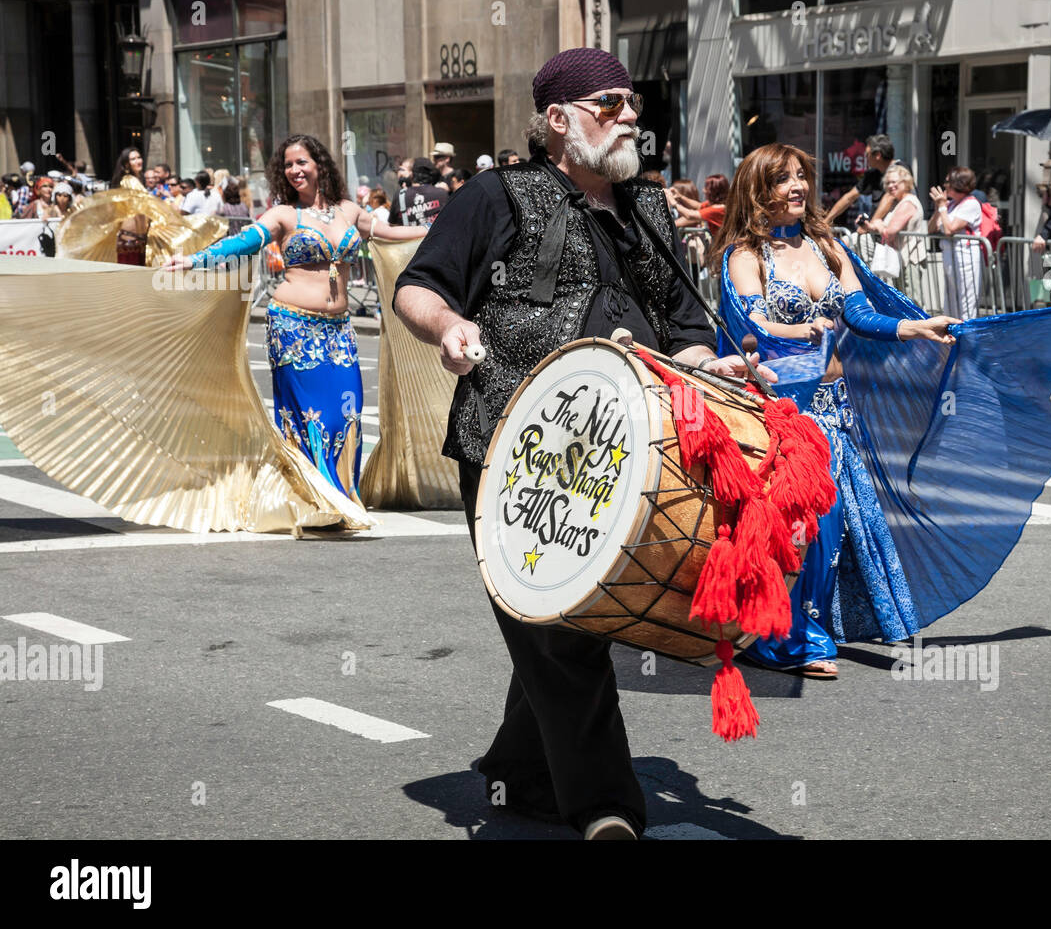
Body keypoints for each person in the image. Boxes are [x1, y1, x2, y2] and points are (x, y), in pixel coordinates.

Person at [391, 47, 773, 841]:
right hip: (513, 444)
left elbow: (685, 330)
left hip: (626, 448)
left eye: (633, 102)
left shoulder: (650, 211)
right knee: (555, 624)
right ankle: (607, 806)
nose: (631, 114)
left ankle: (518, 771)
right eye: (612, 103)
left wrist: (712, 365)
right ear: (559, 120)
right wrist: (453, 326)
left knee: (566, 613)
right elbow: (418, 286)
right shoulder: (495, 194)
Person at [715, 143, 959, 678]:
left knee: (835, 522)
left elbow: (859, 312)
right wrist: (799, 331)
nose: (798, 186)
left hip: (835, 409)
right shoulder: (746, 255)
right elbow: (751, 325)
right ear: (760, 190)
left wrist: (913, 327)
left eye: (802, 176)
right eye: (784, 179)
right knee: (798, 524)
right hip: (781, 410)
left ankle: (800, 626)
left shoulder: (827, 246)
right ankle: (776, 637)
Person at [161, 133, 427, 502]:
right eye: (287, 165)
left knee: (345, 414)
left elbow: (392, 234)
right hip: (292, 328)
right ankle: (316, 500)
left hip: (340, 329)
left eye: (301, 162)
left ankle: (341, 495)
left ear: (319, 164)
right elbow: (244, 243)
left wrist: (437, 230)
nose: (294, 170)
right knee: (308, 417)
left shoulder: (348, 210)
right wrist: (194, 259)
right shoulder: (283, 215)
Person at [860, 162, 926, 295]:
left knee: (912, 299)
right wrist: (869, 225)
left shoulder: (908, 202)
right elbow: (885, 228)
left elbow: (890, 232)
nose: (890, 186)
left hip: (910, 259)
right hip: (900, 259)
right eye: (888, 183)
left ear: (905, 182)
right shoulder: (899, 202)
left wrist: (878, 225)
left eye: (894, 182)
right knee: (902, 298)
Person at [928, 165, 983, 320]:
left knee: (966, 303)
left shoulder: (971, 204)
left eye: (948, 182)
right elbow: (930, 228)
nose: (945, 186)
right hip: (950, 256)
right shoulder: (950, 204)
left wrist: (942, 208)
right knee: (950, 303)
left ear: (958, 185)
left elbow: (949, 229)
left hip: (966, 258)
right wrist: (938, 209)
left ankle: (967, 339)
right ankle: (953, 337)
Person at [825, 133, 894, 226]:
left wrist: (871, 225)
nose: (865, 157)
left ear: (878, 155)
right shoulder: (872, 174)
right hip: (876, 232)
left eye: (867, 154)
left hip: (894, 233)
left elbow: (890, 198)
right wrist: (826, 221)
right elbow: (849, 197)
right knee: (844, 240)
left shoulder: (900, 170)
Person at [389, 157, 444, 227]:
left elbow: (393, 226)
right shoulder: (441, 193)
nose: (399, 173)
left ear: (412, 173)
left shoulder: (400, 196)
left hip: (410, 236)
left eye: (402, 169)